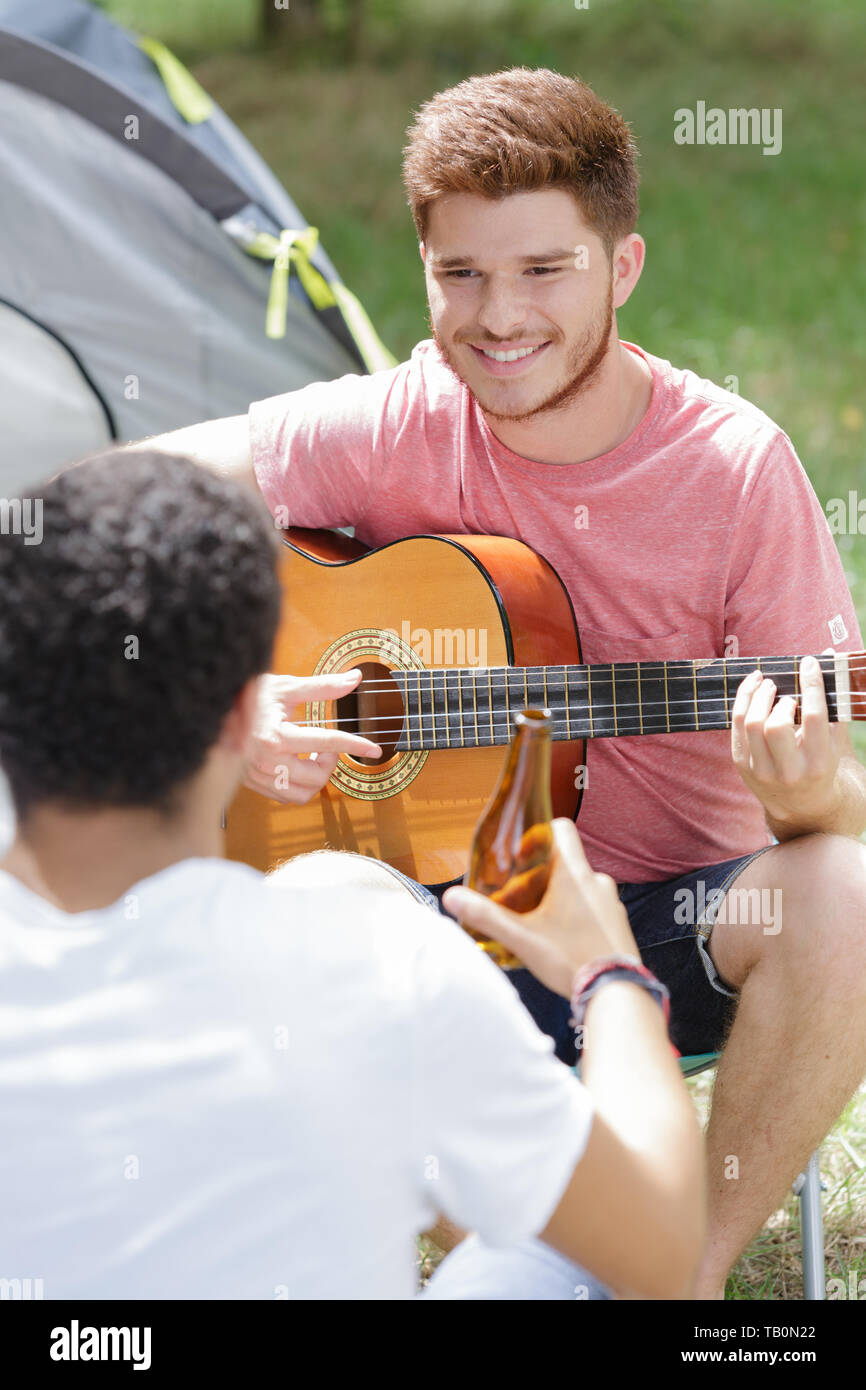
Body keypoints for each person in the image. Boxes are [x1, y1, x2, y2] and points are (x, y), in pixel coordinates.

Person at [130, 69, 866, 1298]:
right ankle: (485, 1255)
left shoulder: (735, 471)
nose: (498, 317)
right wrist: (224, 703)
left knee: (846, 886)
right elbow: (108, 506)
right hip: (424, 937)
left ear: (621, 267)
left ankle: (676, 1275)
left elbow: (823, 820)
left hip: (662, 928)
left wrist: (798, 795)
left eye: (543, 270)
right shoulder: (389, 425)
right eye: (459, 274)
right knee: (308, 892)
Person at [0, 451, 704, 1300]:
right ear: (239, 717)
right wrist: (610, 976)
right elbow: (660, 1257)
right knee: (552, 1257)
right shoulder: (377, 964)